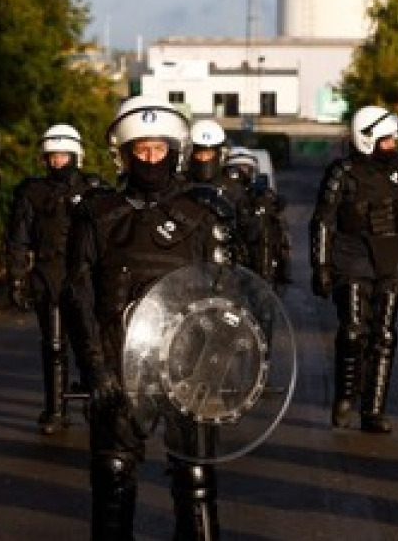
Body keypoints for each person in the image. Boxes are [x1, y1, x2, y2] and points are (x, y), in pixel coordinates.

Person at [64, 95, 232, 540]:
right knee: (113, 476)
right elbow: (78, 297)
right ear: (123, 154)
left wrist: (217, 370)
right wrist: (95, 370)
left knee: (196, 478)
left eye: (158, 149)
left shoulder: (203, 215)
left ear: (175, 151)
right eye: (141, 150)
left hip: (188, 366)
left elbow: (227, 302)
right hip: (118, 367)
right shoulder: (96, 216)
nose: (150, 159)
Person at [310, 105, 398, 433]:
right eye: (386, 139)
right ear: (367, 138)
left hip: (391, 260)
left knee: (384, 336)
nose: (392, 145)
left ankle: (373, 411)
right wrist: (321, 266)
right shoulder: (341, 172)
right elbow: (323, 220)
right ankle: (345, 398)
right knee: (354, 331)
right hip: (352, 259)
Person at [5, 123, 109, 434]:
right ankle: (55, 409)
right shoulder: (32, 192)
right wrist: (17, 277)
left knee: (91, 342)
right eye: (52, 156)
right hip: (48, 274)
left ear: (76, 155)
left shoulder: (95, 190)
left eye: (64, 155)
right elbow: (18, 238)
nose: (58, 162)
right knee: (52, 344)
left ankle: (97, 398)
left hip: (85, 276)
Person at [183, 120, 256, 267]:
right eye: (200, 154)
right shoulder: (180, 185)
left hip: (225, 267)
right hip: (187, 267)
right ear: (190, 154)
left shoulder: (233, 189)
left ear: (219, 154)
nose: (204, 160)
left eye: (209, 154)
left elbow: (247, 232)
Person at [226, 146, 293, 291]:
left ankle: (266, 279)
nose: (241, 174)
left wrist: (269, 203)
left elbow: (276, 204)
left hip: (254, 254)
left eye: (245, 169)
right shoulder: (221, 192)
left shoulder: (259, 196)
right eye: (236, 169)